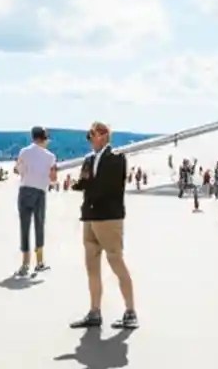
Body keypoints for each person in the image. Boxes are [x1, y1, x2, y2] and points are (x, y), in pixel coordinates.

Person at [69, 121, 138, 331]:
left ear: (104, 135)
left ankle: (130, 311)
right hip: (90, 216)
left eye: (93, 135)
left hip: (108, 217)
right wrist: (73, 183)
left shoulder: (116, 158)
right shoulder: (89, 159)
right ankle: (94, 311)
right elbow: (85, 183)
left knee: (116, 261)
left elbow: (108, 185)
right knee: (92, 266)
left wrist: (87, 185)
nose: (90, 139)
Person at [15, 126, 57, 276]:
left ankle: (25, 263)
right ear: (44, 138)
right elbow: (53, 179)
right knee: (39, 225)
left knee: (24, 227)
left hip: (25, 190)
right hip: (40, 192)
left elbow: (20, 170)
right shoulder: (51, 156)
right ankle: (39, 261)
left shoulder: (24, 152)